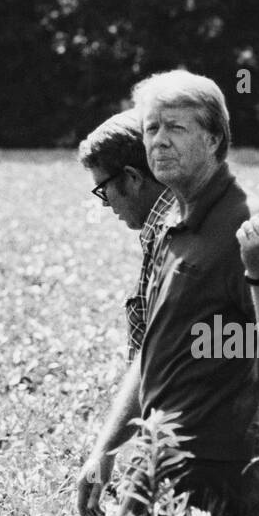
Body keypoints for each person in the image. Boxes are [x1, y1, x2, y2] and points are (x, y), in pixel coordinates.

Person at [77, 70, 259, 516]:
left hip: (221, 455)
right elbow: (150, 353)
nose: (159, 140)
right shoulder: (171, 224)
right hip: (171, 453)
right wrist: (107, 447)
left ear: (214, 139)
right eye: (152, 128)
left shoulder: (244, 223)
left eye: (175, 128)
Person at [78, 109, 175, 361]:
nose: (105, 204)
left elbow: (158, 362)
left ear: (132, 177)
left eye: (103, 189)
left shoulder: (170, 237)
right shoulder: (194, 217)